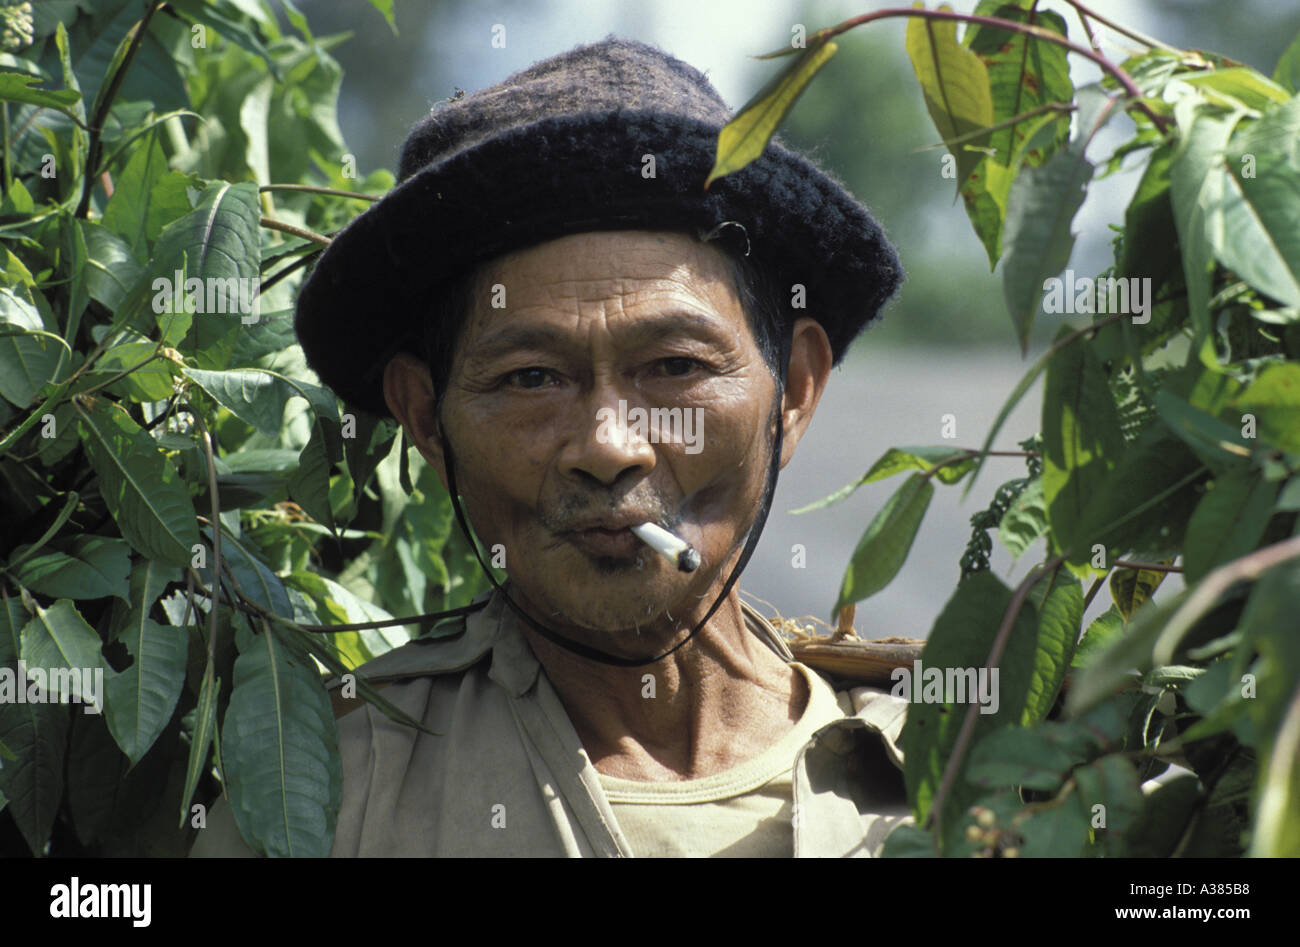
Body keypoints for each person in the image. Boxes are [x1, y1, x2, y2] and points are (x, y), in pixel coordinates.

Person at [190, 36, 908, 858]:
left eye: (674, 366)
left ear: (793, 390)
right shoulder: (327, 806)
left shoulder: (975, 782)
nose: (607, 448)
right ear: (426, 417)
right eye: (532, 378)